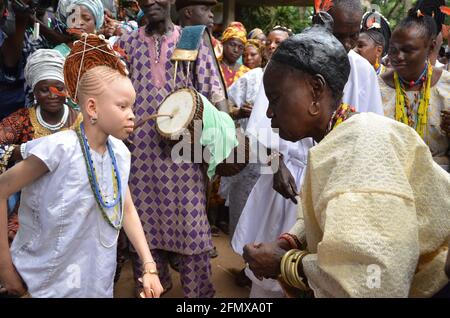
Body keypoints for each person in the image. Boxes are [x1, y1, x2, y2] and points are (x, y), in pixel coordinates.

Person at [243, 13, 450, 298]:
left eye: (276, 99)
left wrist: (283, 262)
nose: (269, 112)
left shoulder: (362, 147)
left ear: (316, 90)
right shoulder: (339, 138)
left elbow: (371, 279)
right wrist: (292, 240)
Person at [234, 0, 384, 298]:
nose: (344, 45)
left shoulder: (364, 85)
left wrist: (286, 262)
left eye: (353, 37)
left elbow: (368, 276)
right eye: (340, 35)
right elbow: (258, 135)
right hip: (286, 180)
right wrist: (276, 164)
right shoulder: (294, 61)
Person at [0, 33, 163, 298]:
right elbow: (2, 190)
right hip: (42, 281)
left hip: (94, 279)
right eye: (123, 106)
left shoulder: (120, 153)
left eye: (132, 106)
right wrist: (6, 270)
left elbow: (126, 208)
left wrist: (149, 266)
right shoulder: (59, 149)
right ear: (92, 107)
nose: (132, 115)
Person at [116, 0, 226, 298]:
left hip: (185, 156)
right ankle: (152, 291)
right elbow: (114, 96)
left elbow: (213, 92)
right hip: (139, 158)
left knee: (192, 232)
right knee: (145, 234)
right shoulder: (124, 43)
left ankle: (198, 298)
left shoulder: (191, 37)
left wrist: (227, 137)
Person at [0, 49, 81, 243]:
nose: (53, 95)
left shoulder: (81, 121)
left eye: (59, 88)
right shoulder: (22, 119)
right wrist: (18, 152)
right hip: (31, 204)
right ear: (35, 92)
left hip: (74, 203)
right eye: (45, 90)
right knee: (13, 239)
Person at [379, 5, 449, 170]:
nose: (398, 57)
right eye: (393, 50)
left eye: (408, 50)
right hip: (391, 177)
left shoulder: (446, 86)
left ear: (431, 47)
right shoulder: (376, 87)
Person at [354, 10, 391, 75]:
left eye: (360, 45)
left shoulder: (391, 79)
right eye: (354, 44)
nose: (354, 50)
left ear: (378, 50)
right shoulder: (349, 71)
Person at [219, 22, 250, 87]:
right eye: (232, 45)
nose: (236, 50)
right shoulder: (213, 67)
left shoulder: (247, 73)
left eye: (240, 47)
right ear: (223, 43)